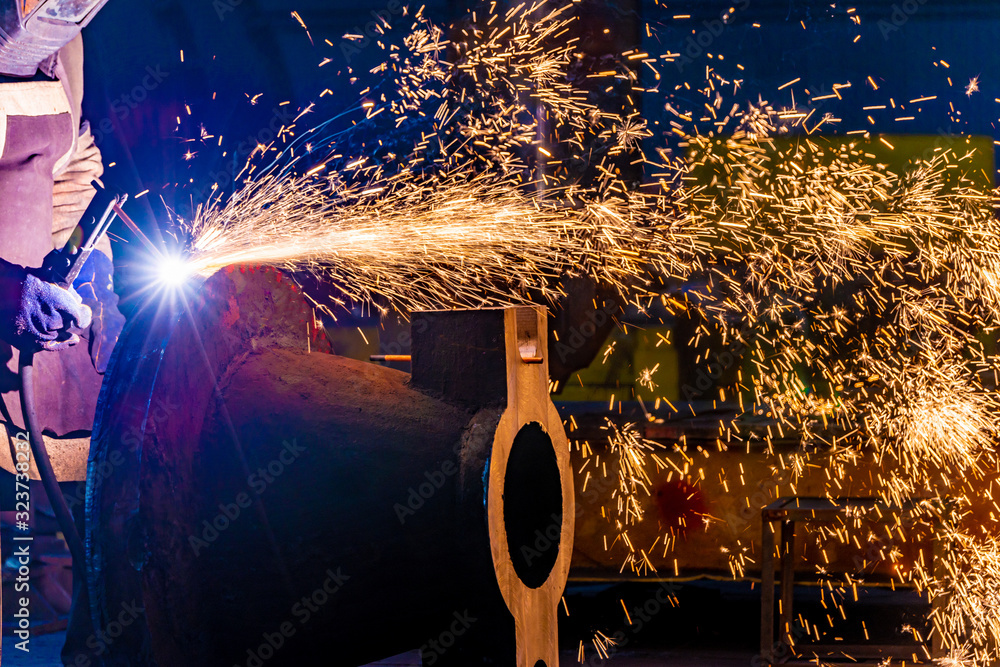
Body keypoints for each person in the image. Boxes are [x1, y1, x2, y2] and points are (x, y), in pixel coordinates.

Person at [0, 1, 125, 663]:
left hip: (36, 357)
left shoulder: (62, 31)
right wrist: (8, 293)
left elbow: (74, 164)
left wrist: (89, 269)